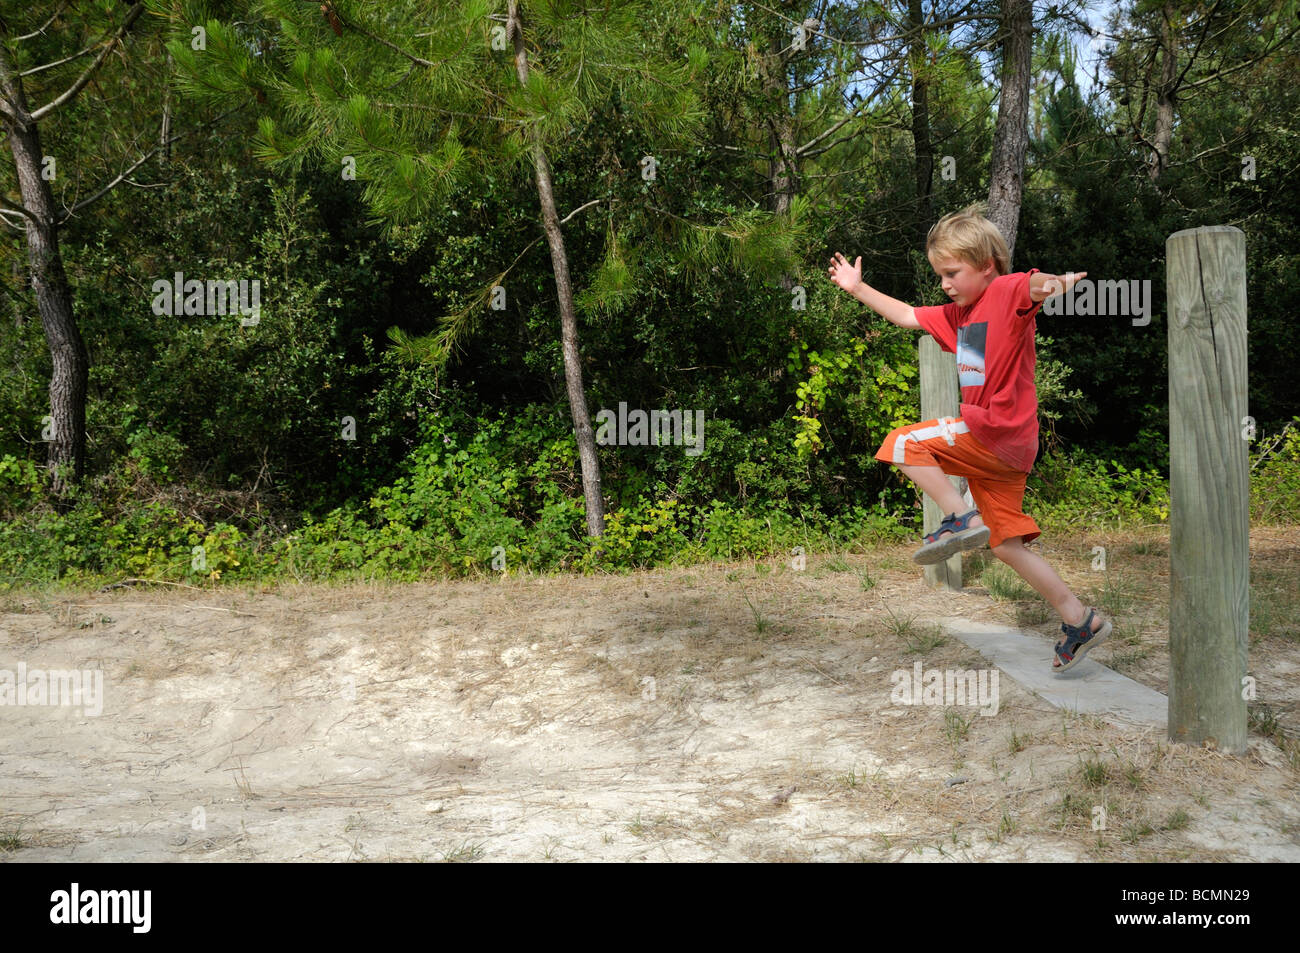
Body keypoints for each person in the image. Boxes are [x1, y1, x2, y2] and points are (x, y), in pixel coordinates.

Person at [827, 202, 1111, 673]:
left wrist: (1058, 283)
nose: (945, 283)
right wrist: (858, 289)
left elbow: (1034, 286)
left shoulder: (1004, 291)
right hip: (1008, 454)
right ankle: (1080, 620)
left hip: (996, 430)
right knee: (1005, 545)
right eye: (940, 274)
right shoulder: (958, 317)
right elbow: (906, 316)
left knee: (902, 443)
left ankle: (960, 517)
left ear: (986, 266)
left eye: (953, 273)